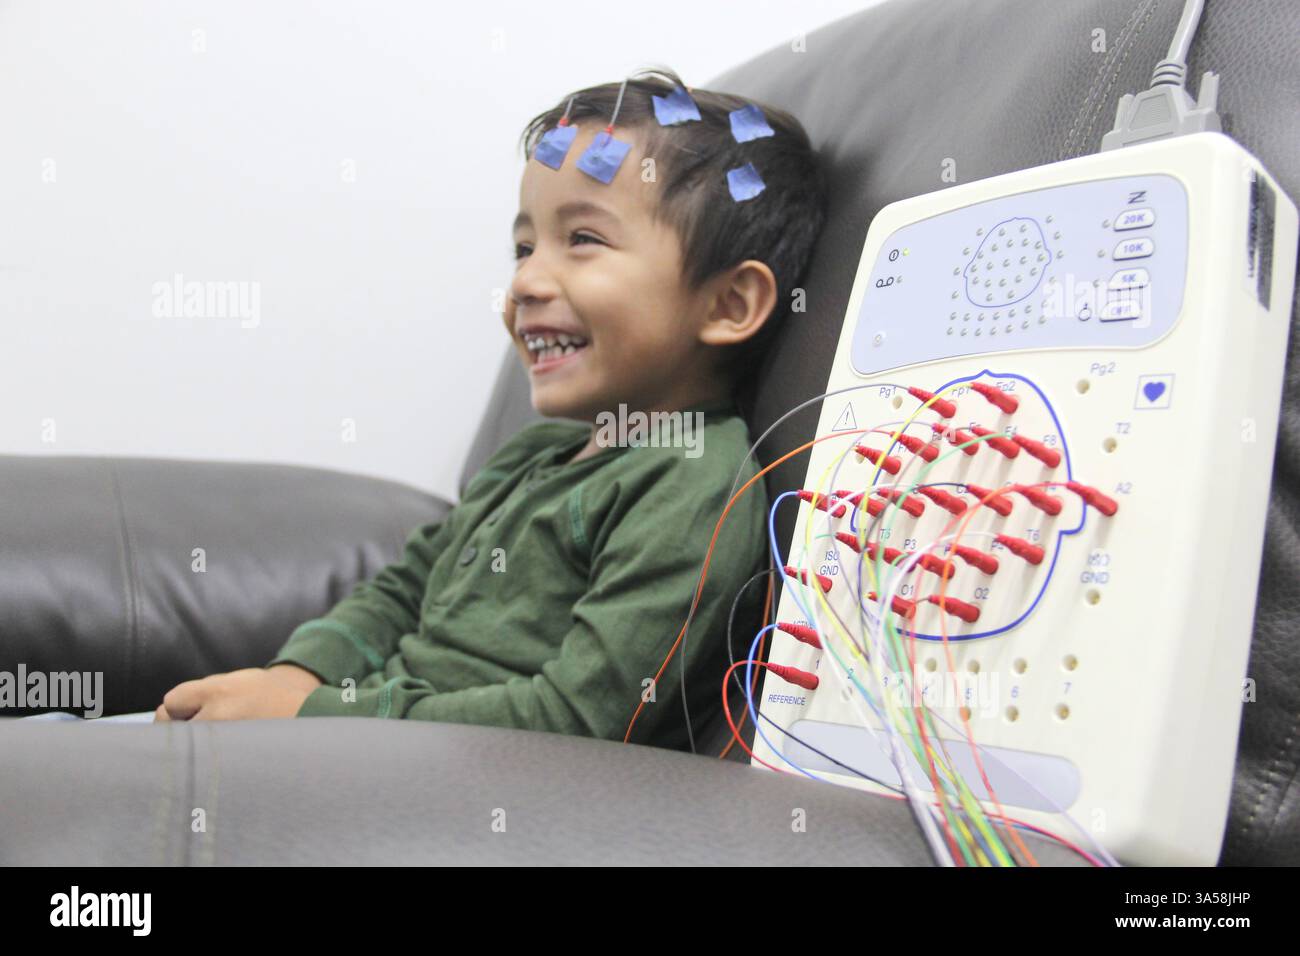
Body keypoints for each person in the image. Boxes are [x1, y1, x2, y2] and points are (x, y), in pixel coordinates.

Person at [38, 68, 829, 750]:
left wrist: (313, 715)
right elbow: (402, 589)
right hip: (364, 739)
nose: (524, 283)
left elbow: (580, 722)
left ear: (730, 304)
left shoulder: (691, 481)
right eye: (524, 248)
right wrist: (295, 675)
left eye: (581, 239)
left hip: (433, 777)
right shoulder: (534, 456)